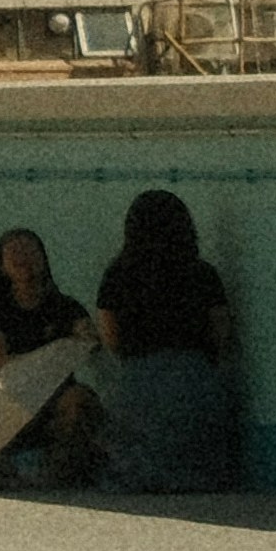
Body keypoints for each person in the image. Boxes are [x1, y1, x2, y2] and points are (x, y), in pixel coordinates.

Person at [93, 186, 248, 498]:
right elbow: (221, 332)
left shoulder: (118, 275)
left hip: (139, 381)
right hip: (196, 378)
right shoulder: (204, 274)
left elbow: (110, 338)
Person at [0, 224, 101, 490]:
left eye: (30, 251)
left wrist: (85, 334)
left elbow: (90, 341)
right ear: (1, 266)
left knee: (81, 399)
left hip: (56, 403)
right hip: (11, 402)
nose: (23, 258)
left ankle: (62, 469)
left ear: (44, 259)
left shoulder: (65, 307)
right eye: (14, 253)